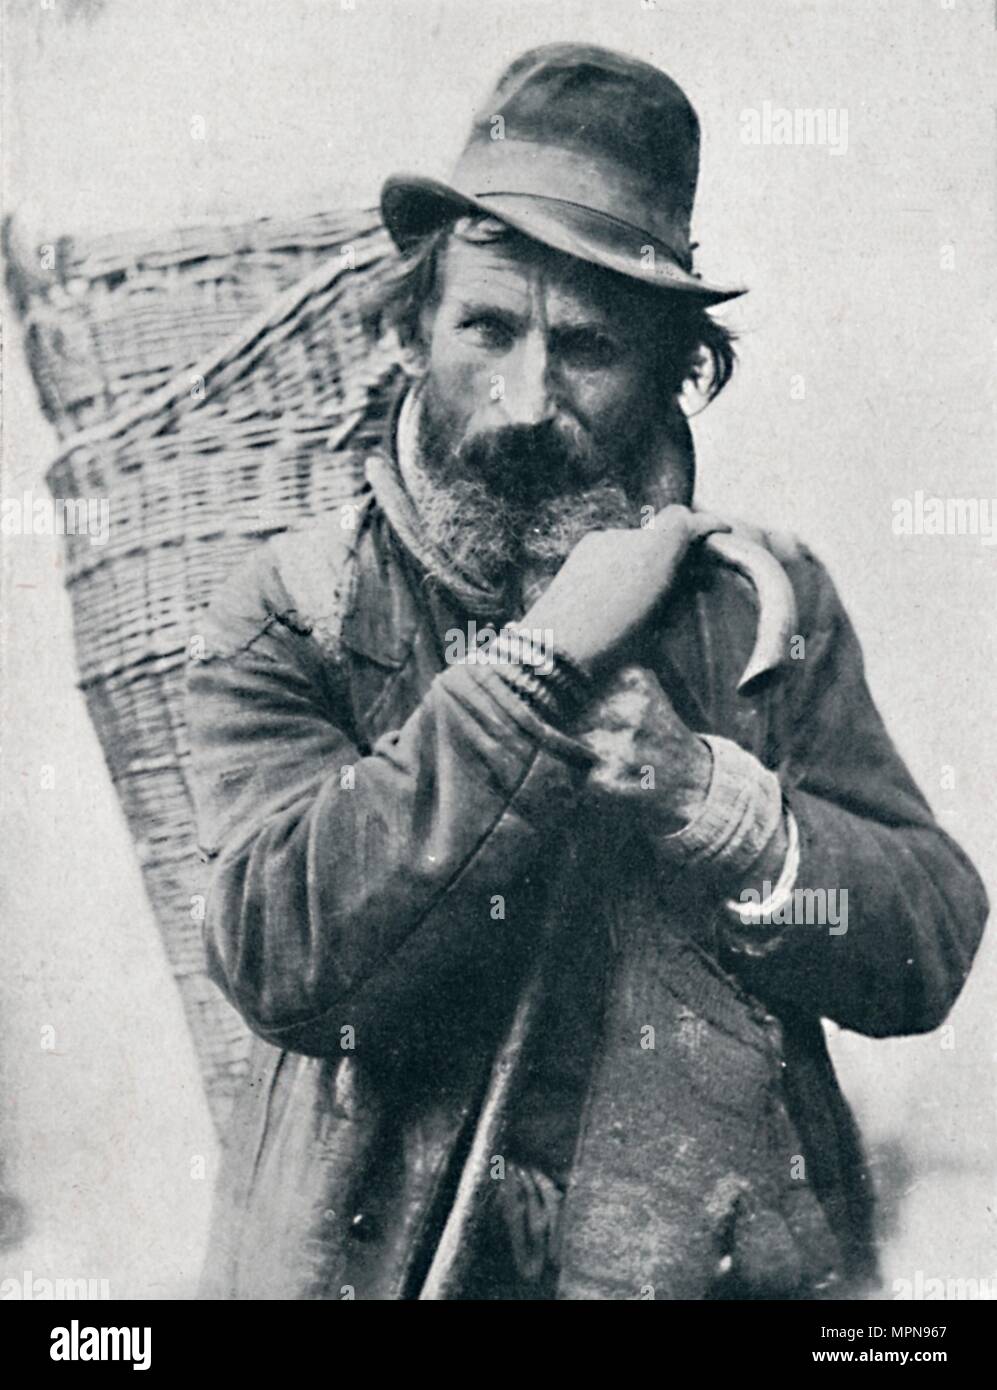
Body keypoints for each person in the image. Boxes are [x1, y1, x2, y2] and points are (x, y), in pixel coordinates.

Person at [186, 44, 988, 1299]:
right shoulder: (292, 610)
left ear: (680, 368)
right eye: (487, 329)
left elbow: (924, 944)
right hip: (379, 1266)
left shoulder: (760, 606)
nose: (523, 398)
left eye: (591, 345)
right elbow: (280, 959)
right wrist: (537, 667)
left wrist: (712, 803)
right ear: (411, 329)